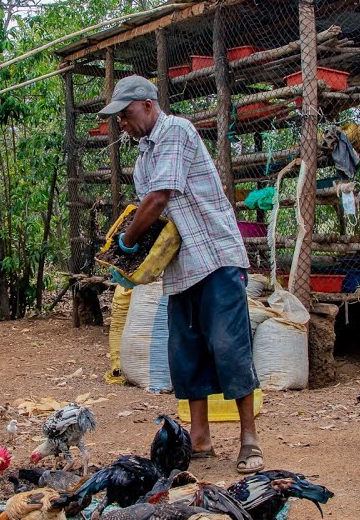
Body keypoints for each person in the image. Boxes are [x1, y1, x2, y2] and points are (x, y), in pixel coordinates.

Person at [99, 75, 263, 474]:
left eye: (126, 113)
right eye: (118, 117)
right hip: (181, 268)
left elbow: (158, 199)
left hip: (215, 257)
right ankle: (201, 438)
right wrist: (135, 263)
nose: (122, 122)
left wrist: (126, 244)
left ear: (149, 105)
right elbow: (153, 216)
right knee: (185, 354)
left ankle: (249, 440)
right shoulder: (142, 158)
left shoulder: (176, 131)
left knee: (228, 347)